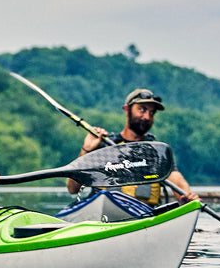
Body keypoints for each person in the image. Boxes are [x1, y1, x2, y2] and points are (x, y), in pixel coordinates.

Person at [66, 87, 199, 204]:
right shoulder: (104, 146)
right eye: (142, 110)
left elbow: (177, 180)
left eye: (151, 113)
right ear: (127, 109)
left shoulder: (156, 153)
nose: (147, 117)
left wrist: (187, 199)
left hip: (142, 215)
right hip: (102, 213)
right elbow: (73, 189)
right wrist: (87, 150)